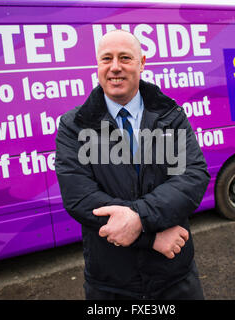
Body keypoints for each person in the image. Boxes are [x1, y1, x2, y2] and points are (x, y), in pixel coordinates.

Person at [55, 29, 210, 300]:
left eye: (125, 57)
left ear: (142, 63)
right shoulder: (73, 126)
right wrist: (150, 238)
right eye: (107, 59)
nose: (115, 67)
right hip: (110, 285)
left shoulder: (170, 115)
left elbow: (192, 176)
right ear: (98, 65)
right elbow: (79, 198)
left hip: (175, 277)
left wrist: (139, 218)